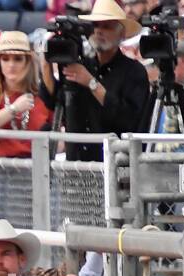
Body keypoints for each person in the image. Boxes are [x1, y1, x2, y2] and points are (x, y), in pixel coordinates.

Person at [38, 0, 149, 162]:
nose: (99, 31)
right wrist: (46, 66)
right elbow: (55, 102)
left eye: (107, 26)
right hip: (77, 162)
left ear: (122, 33)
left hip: (116, 163)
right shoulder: (83, 66)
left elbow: (128, 120)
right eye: (95, 26)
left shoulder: (134, 71)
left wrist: (92, 83)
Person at [0, 31, 54, 157]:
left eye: (18, 59)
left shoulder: (43, 95)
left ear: (28, 62)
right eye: (5, 59)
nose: (11, 65)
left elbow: (59, 141)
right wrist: (14, 108)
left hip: (39, 169)